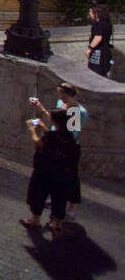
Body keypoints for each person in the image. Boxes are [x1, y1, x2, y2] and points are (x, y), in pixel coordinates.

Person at [19, 108, 79, 234]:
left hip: (45, 171)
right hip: (62, 174)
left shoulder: (50, 136)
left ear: (54, 121)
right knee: (59, 198)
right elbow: (57, 140)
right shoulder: (69, 137)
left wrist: (32, 130)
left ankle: (35, 220)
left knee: (38, 195)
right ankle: (57, 224)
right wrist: (44, 127)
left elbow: (38, 143)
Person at [53, 83, 86, 217]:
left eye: (61, 93)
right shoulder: (61, 102)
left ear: (66, 94)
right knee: (55, 175)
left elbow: (72, 134)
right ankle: (56, 199)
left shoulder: (77, 111)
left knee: (71, 178)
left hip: (69, 148)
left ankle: (72, 206)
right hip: (57, 143)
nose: (59, 96)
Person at [87, 3, 113, 77]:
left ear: (97, 13)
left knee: (96, 73)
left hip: (99, 53)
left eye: (90, 11)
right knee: (102, 73)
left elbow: (98, 38)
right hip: (105, 52)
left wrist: (90, 48)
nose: (89, 13)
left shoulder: (100, 24)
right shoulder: (106, 23)